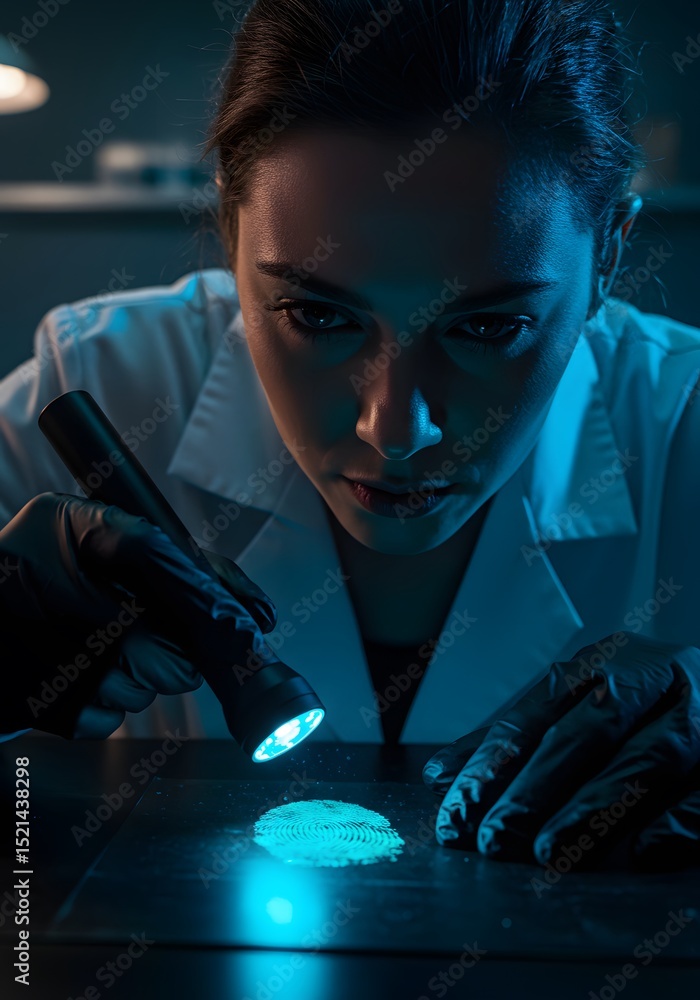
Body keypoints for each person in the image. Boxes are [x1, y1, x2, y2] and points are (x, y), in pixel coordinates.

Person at [1, 0, 699, 867]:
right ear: (229, 229)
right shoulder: (103, 378)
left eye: (488, 328)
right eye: (317, 315)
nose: (395, 429)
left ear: (611, 256)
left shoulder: (682, 424)